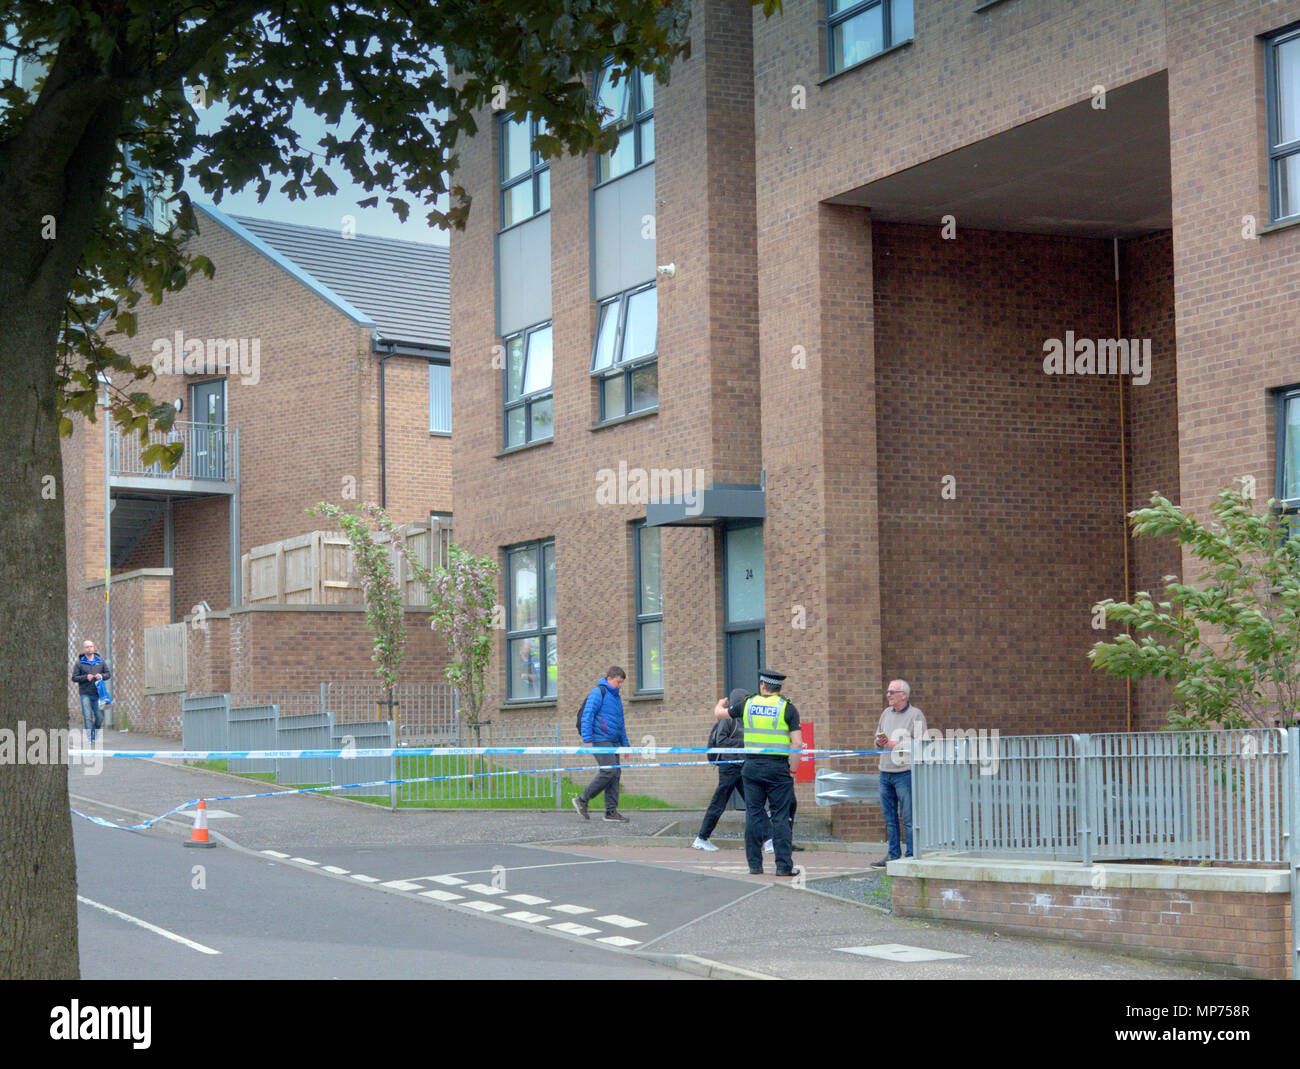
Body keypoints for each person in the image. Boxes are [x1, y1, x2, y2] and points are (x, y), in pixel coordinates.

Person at [714, 668, 802, 876]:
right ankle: (783, 866)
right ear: (779, 687)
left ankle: (755, 865)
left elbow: (720, 714)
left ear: (762, 685)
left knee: (754, 814)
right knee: (780, 817)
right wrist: (793, 770)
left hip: (752, 767)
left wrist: (720, 704)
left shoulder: (748, 704)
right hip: (778, 768)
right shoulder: (787, 708)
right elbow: (797, 743)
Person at [871, 678, 926, 867]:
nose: (888, 695)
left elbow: (922, 743)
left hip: (905, 772)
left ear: (904, 695)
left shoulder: (916, 715)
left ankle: (911, 855)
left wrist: (898, 744)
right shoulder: (886, 713)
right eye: (888, 692)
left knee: (909, 817)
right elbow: (878, 735)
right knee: (890, 818)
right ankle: (893, 855)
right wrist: (879, 742)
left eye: (892, 692)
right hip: (885, 772)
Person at [692, 688, 750, 851]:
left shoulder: (745, 718)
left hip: (741, 765)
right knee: (719, 802)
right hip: (729, 766)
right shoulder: (728, 718)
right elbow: (721, 740)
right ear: (739, 700)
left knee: (753, 802)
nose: (748, 702)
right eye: (745, 699)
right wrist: (743, 746)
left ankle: (768, 840)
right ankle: (701, 837)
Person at [574, 666, 631, 823]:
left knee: (615, 774)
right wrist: (587, 739)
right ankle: (583, 800)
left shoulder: (616, 697)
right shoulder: (598, 692)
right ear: (609, 679)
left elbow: (620, 723)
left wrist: (625, 745)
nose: (620, 685)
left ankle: (611, 812)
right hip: (600, 739)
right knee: (608, 771)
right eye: (618, 682)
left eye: (621, 683)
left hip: (614, 741)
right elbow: (588, 715)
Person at [72, 639, 112, 743]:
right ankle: (90, 737)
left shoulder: (100, 662)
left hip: (98, 693)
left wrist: (101, 676)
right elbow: (74, 678)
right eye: (87, 647)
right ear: (84, 649)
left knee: (99, 716)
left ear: (94, 648)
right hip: (85, 693)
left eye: (91, 646)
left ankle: (94, 732)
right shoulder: (79, 663)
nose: (89, 648)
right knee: (87, 716)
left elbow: (108, 674)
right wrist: (86, 677)